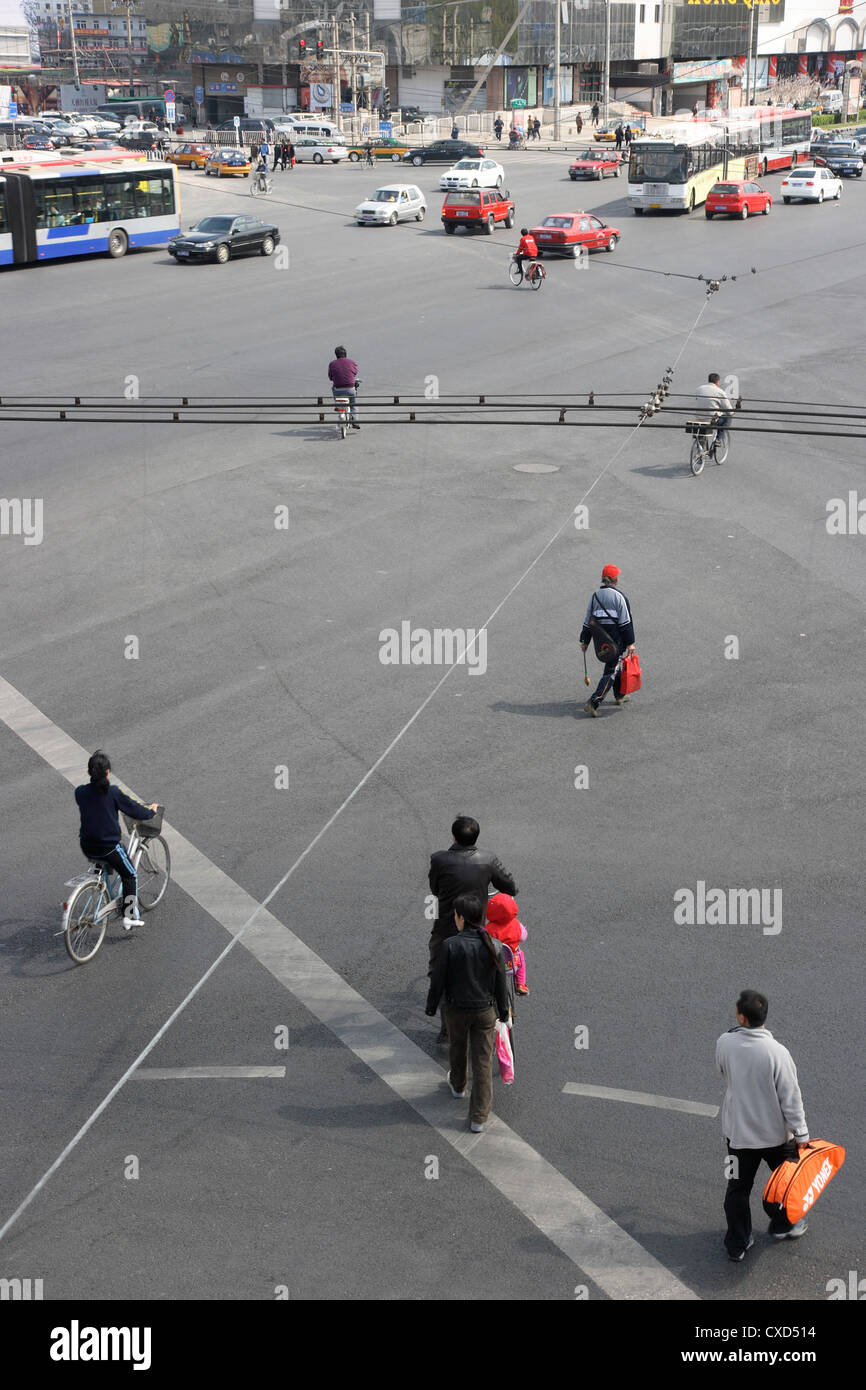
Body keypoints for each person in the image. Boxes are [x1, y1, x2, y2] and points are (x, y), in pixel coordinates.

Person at [717, 991, 811, 1262]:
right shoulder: (778, 1053)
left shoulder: (724, 1043)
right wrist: (802, 1133)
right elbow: (791, 1097)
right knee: (788, 1183)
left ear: (741, 1017)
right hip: (777, 1138)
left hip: (738, 1137)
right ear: (764, 1018)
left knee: (737, 1189)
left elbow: (722, 1071)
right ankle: (788, 1223)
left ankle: (737, 1243)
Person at [426, 893, 510, 1133]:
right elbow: (500, 983)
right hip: (485, 1011)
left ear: (461, 917)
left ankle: (458, 1085)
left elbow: (438, 981)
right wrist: (503, 1013)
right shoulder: (493, 945)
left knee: (457, 1047)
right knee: (483, 1062)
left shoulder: (450, 945)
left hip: (456, 1010)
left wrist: (432, 1007)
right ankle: (478, 1117)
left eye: (456, 915)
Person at [427, 816, 517, 1043]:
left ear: (453, 837)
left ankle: (446, 1028)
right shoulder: (487, 859)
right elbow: (510, 886)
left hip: (446, 928)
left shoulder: (439, 859)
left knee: (440, 970)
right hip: (477, 928)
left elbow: (435, 888)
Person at [75, 750, 158, 930]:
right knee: (129, 874)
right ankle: (129, 915)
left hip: (87, 845)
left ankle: (101, 875)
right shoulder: (113, 793)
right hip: (109, 847)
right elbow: (134, 810)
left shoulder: (80, 792)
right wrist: (151, 811)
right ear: (108, 772)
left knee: (105, 859)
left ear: (89, 772)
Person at [580, 564, 635, 717]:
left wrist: (584, 641)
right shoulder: (620, 597)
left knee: (615, 665)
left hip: (601, 642)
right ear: (615, 580)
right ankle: (594, 701)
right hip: (615, 642)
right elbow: (626, 623)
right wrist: (630, 643)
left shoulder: (594, 596)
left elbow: (588, 622)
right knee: (612, 671)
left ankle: (619, 695)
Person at [485, 892, 529, 995]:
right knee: (520, 954)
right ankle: (520, 984)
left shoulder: (489, 928)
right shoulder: (516, 925)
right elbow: (523, 936)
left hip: (495, 965)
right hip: (512, 965)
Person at [695, 372, 739, 449]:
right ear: (718, 382)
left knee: (702, 432)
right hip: (712, 420)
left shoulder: (699, 389)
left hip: (699, 418)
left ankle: (700, 451)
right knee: (727, 417)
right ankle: (718, 439)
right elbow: (729, 411)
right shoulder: (720, 392)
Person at [327, 345, 360, 430]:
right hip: (350, 389)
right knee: (353, 405)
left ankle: (337, 405)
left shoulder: (332, 364)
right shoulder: (351, 362)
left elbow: (330, 377)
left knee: (333, 389)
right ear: (345, 354)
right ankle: (355, 421)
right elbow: (355, 372)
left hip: (338, 390)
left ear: (336, 355)